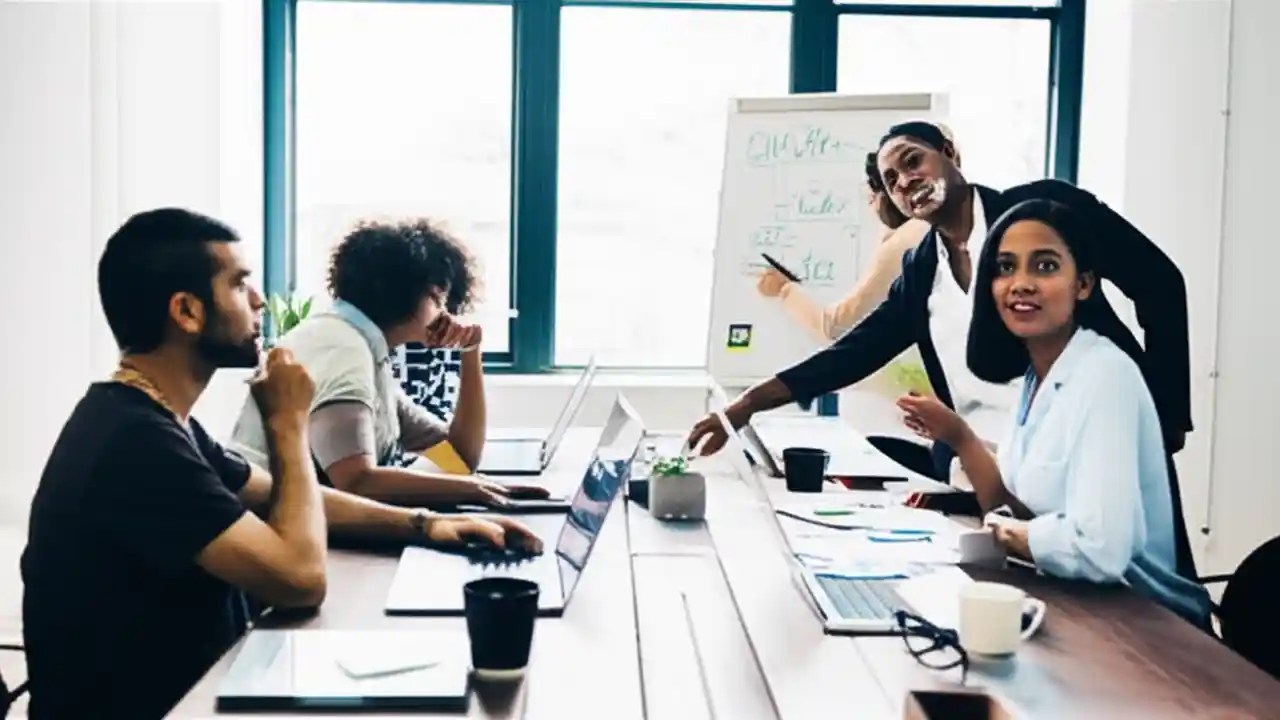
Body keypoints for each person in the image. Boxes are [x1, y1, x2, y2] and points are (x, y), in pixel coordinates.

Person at [20, 209, 542, 720]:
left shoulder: (159, 421)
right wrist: (288, 423)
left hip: (210, 685)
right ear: (186, 311)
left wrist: (429, 526)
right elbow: (300, 580)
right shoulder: (134, 443)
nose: (260, 302)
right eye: (240, 284)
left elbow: (272, 493)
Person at [687, 119, 1197, 580]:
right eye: (891, 179)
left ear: (950, 152)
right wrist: (747, 404)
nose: (905, 180)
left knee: (1139, 598)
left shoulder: (1044, 215)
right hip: (998, 483)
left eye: (913, 160)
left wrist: (1164, 415)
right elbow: (855, 350)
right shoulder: (921, 270)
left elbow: (1160, 282)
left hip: (1083, 461)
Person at [895, 199, 1212, 627]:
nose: (1020, 283)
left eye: (1044, 267)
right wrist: (960, 438)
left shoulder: (1105, 373)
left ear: (1083, 285)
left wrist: (1008, 534)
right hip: (1081, 607)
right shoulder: (1036, 378)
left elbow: (1100, 550)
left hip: (1148, 629)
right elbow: (1013, 507)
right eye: (1005, 268)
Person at [231, 218, 549, 508]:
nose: (446, 312)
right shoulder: (343, 348)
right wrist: (475, 490)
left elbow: (457, 458)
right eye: (439, 299)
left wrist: (470, 351)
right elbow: (356, 482)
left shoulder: (364, 348)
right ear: (412, 293)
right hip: (270, 529)